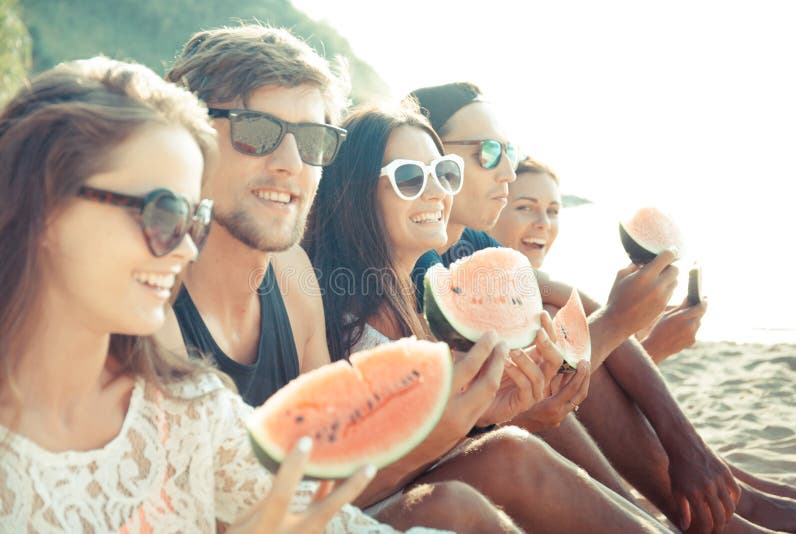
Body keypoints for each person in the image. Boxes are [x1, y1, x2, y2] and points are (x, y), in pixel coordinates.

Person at [0, 56, 418, 533]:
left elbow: (337, 520)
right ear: (44, 206)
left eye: (191, 217)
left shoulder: (189, 409)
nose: (183, 247)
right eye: (160, 213)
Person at [160, 24, 524, 532]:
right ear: (190, 139)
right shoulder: (155, 319)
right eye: (256, 130)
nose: (290, 164)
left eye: (312, 140)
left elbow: (322, 479)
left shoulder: (293, 277)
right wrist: (435, 437)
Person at [410, 81, 796, 533]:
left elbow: (578, 304)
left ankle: (729, 503)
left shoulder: (476, 245)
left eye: (509, 153)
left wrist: (685, 441)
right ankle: (692, 511)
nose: (507, 171)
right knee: (553, 342)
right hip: (461, 449)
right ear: (432, 160)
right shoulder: (416, 263)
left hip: (518, 419)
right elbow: (486, 396)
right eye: (488, 152)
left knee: (560, 327)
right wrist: (621, 322)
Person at [304, 101, 675, 533]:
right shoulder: (332, 309)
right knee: (509, 453)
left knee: (510, 448)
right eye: (408, 178)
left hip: (406, 487)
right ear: (352, 190)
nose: (437, 191)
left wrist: (499, 413)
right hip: (353, 508)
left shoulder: (410, 301)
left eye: (445, 173)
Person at [488, 156, 708, 363]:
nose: (544, 223)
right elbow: (565, 396)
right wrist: (652, 348)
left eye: (553, 211)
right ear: (489, 211)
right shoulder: (510, 308)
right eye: (525, 207)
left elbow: (576, 375)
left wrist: (634, 330)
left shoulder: (547, 295)